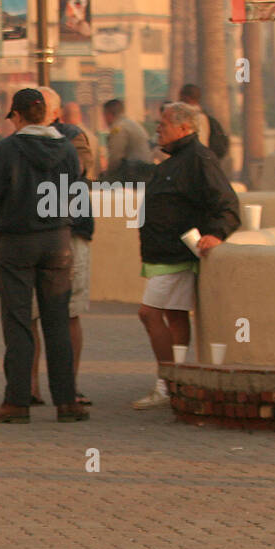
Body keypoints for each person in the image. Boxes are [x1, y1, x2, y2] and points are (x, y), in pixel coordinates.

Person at [0, 88, 88, 423]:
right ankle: (67, 401)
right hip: (57, 242)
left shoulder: (7, 148)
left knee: (19, 322)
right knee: (57, 321)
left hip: (17, 243)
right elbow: (75, 195)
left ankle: (18, 401)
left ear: (18, 116)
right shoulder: (67, 150)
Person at [132, 102, 240, 409]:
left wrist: (216, 234)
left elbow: (227, 203)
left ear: (184, 128)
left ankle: (167, 383)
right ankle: (175, 383)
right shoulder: (176, 160)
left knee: (149, 313)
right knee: (175, 315)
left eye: (163, 125)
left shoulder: (199, 159)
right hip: (162, 252)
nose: (158, 130)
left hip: (175, 253)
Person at [30, 88, 96, 407]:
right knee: (29, 314)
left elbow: (76, 171)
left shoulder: (73, 137)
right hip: (30, 234)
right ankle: (28, 386)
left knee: (69, 311)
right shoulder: (17, 140)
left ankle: (69, 384)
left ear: (55, 113)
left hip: (70, 231)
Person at [178, 84, 231, 168]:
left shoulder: (194, 118)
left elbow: (200, 144)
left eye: (180, 97)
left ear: (186, 97)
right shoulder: (208, 119)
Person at [101, 98, 154, 178]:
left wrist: (107, 176)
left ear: (109, 115)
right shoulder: (131, 124)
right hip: (143, 171)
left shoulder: (118, 128)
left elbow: (115, 158)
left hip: (134, 175)